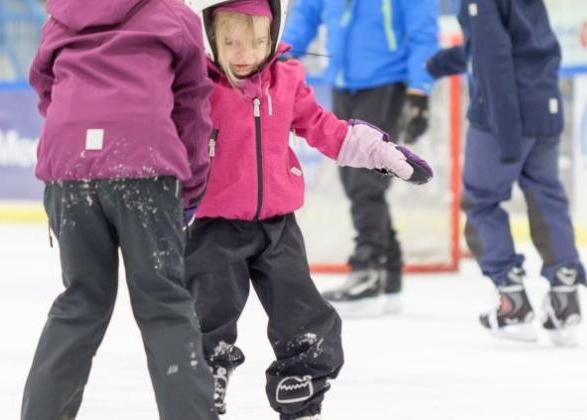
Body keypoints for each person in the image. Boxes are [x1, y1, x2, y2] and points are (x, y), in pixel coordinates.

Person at [182, 1, 434, 418]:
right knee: (207, 310)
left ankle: (298, 383)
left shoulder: (285, 81)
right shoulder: (197, 88)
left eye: (257, 42)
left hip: (278, 228)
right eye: (230, 42)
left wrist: (379, 152)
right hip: (214, 227)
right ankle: (203, 376)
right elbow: (168, 141)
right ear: (210, 38)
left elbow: (325, 128)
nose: (244, 54)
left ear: (273, 37)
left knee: (302, 312)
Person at [20, 1, 221, 419]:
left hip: (70, 171)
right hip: (144, 167)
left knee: (80, 303)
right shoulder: (174, 15)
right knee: (163, 303)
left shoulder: (59, 18)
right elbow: (193, 109)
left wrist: (78, 140)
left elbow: (45, 88)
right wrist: (191, 187)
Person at [426, 0, 587, 346]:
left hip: (504, 115)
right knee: (547, 195)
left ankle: (511, 299)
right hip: (545, 105)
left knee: (481, 201)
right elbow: (508, 45)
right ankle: (565, 298)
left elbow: (492, 55)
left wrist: (504, 127)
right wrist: (439, 63)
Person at [282, 0, 440, 316]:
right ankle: (389, 272)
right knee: (355, 176)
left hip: (385, 81)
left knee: (364, 182)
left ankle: (368, 269)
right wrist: (282, 55)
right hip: (343, 79)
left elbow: (423, 28)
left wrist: (420, 91)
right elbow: (307, 12)